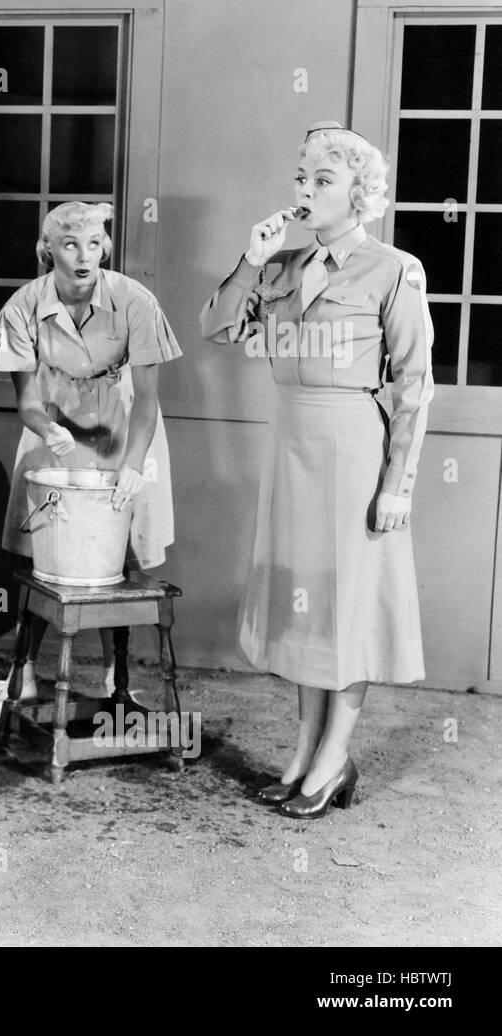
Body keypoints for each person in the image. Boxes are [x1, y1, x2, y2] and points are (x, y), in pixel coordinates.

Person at [200, 121, 432, 818]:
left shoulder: (394, 269)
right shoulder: (280, 267)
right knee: (307, 603)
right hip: (292, 443)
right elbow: (216, 328)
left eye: (322, 180)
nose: (304, 190)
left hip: (355, 447)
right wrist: (250, 258)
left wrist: (398, 484)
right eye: (301, 178)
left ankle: (335, 761)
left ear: (359, 195)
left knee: (349, 606)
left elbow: (415, 385)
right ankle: (303, 753)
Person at [0, 201, 181, 721]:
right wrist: (48, 429)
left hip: (123, 424)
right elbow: (25, 399)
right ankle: (21, 677)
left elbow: (150, 399)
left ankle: (120, 679)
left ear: (105, 248)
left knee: (119, 556)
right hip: (56, 422)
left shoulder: (136, 300)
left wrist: (133, 464)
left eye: (94, 244)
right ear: (49, 251)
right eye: (70, 245)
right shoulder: (22, 306)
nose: (84, 256)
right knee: (43, 550)